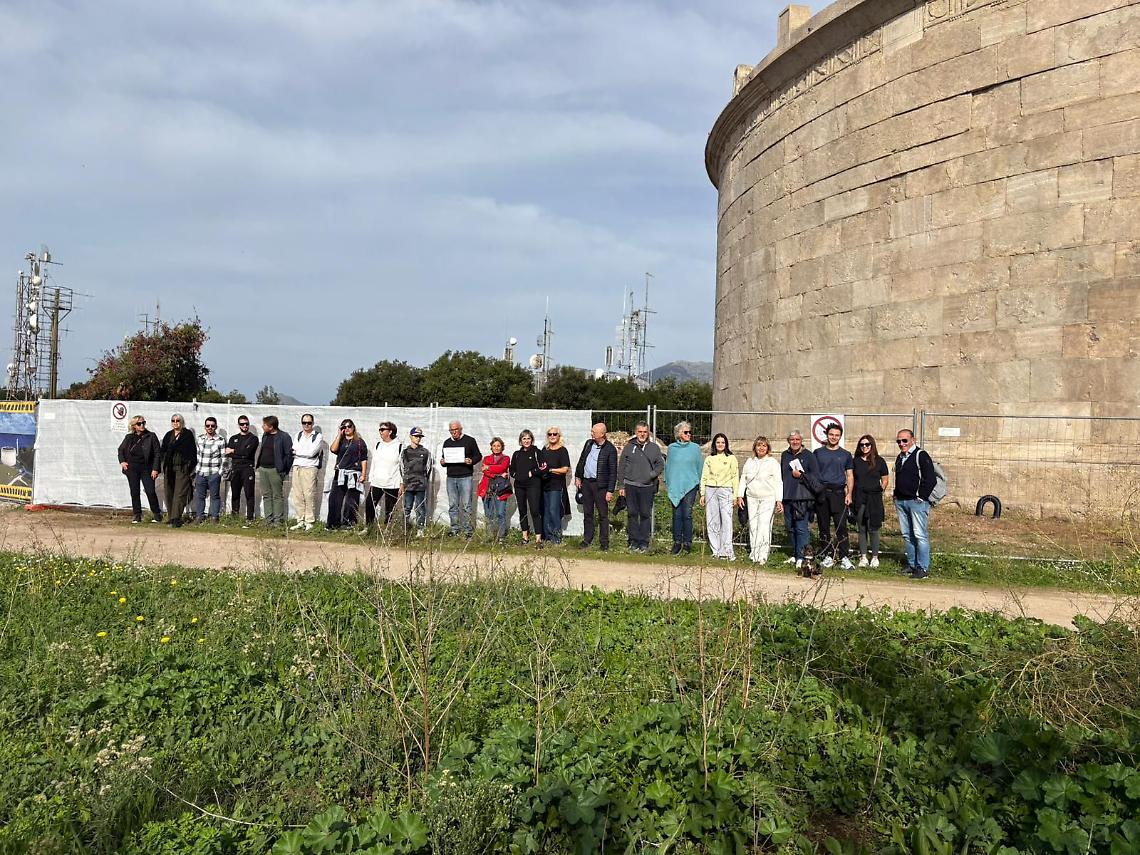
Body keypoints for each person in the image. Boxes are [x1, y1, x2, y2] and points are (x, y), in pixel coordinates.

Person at [894, 428, 935, 580]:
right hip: (901, 501)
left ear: (913, 440)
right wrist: (896, 495)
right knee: (907, 534)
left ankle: (922, 568)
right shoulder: (900, 457)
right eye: (899, 441)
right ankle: (912, 565)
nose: (901, 443)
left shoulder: (921, 455)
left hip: (916, 502)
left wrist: (921, 496)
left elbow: (930, 479)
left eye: (904, 440)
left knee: (919, 535)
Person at [617, 421, 664, 553]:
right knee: (632, 514)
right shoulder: (629, 447)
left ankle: (643, 542)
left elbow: (660, 464)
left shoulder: (654, 448)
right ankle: (633, 541)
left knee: (645, 514)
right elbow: (621, 467)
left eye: (645, 432)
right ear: (636, 432)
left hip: (647, 486)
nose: (642, 434)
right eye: (640, 432)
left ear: (648, 433)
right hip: (630, 485)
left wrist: (652, 474)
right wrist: (621, 485)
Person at [813, 422, 855, 571]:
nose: (834, 437)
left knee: (841, 527)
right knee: (823, 526)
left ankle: (844, 557)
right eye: (831, 434)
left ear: (840, 437)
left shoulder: (845, 454)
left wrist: (849, 494)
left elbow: (850, 476)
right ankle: (827, 555)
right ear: (827, 435)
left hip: (838, 494)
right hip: (822, 493)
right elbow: (813, 474)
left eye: (837, 435)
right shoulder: (818, 453)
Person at [736, 436, 782, 563]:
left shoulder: (773, 463)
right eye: (759, 445)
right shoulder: (749, 461)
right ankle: (754, 553)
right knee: (753, 525)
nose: (761, 448)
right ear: (755, 448)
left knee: (764, 525)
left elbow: (778, 482)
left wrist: (779, 500)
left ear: (768, 448)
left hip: (768, 498)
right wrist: (740, 495)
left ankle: (763, 555)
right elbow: (743, 479)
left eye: (764, 446)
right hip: (752, 498)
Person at [574, 422, 617, 552]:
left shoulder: (610, 449)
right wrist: (578, 476)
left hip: (600, 485)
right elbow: (582, 460)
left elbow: (613, 472)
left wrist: (610, 490)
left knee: (603, 514)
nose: (591, 433)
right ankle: (587, 539)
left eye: (594, 431)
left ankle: (604, 542)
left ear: (602, 434)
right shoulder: (589, 444)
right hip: (586, 483)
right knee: (588, 513)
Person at [780, 430, 818, 569]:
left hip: (802, 498)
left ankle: (802, 557)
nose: (795, 442)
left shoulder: (809, 456)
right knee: (790, 528)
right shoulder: (785, 455)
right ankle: (795, 554)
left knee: (801, 528)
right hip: (787, 497)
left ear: (801, 441)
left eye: (797, 439)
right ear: (788, 441)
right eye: (792, 439)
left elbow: (815, 477)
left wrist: (801, 475)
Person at [664, 421, 703, 555]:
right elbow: (668, 467)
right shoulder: (672, 448)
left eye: (690, 432)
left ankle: (687, 543)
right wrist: (669, 484)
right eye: (686, 432)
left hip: (690, 485)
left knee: (687, 514)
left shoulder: (695, 448)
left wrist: (701, 487)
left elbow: (700, 467)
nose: (689, 434)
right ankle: (677, 542)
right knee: (676, 515)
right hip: (675, 485)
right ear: (679, 434)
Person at [852, 434, 889, 568]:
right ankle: (863, 557)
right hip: (859, 498)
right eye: (862, 445)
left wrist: (880, 489)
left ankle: (874, 557)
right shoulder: (855, 461)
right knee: (861, 528)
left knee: (873, 528)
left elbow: (885, 479)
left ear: (872, 445)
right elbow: (851, 478)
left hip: (874, 499)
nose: (864, 447)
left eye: (867, 444)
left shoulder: (879, 461)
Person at [700, 433, 739, 560]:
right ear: (714, 444)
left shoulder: (731, 458)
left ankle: (727, 551)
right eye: (718, 442)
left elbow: (735, 477)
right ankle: (716, 550)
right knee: (712, 520)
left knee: (726, 520)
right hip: (710, 489)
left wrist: (735, 495)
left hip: (726, 490)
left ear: (726, 444)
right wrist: (702, 493)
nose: (720, 444)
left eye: (723, 442)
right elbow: (704, 476)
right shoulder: (709, 459)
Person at [117, 414, 162, 523]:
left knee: (150, 491)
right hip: (132, 468)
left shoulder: (151, 436)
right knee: (134, 492)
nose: (142, 425)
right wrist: (122, 462)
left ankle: (157, 514)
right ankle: (137, 515)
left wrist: (155, 468)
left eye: (143, 423)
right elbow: (121, 450)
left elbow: (157, 453)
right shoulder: (129, 437)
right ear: (134, 426)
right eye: (139, 423)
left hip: (147, 468)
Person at [440, 420, 482, 537]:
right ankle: (455, 530)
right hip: (451, 477)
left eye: (456, 429)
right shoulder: (447, 442)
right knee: (453, 505)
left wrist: (471, 461)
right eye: (451, 430)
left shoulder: (470, 440)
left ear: (461, 429)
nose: (454, 432)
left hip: (465, 477)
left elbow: (478, 456)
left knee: (466, 505)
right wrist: (443, 462)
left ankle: (468, 531)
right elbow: (444, 458)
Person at [328, 418, 368, 530]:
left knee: (351, 501)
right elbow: (333, 449)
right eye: (344, 427)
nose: (347, 428)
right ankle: (333, 524)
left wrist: (363, 474)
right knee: (334, 499)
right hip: (340, 473)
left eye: (349, 426)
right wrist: (338, 435)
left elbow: (364, 459)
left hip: (354, 474)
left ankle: (349, 524)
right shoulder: (340, 440)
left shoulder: (360, 442)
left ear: (353, 427)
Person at [160, 413, 196, 527]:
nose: (175, 422)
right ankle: (171, 517)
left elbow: (192, 451)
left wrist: (189, 466)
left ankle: (176, 518)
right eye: (173, 420)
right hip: (169, 468)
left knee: (180, 493)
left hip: (182, 467)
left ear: (182, 422)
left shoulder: (187, 434)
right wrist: (163, 462)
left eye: (178, 420)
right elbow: (163, 450)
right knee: (169, 492)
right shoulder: (168, 435)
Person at [256, 415, 293, 526]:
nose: (262, 426)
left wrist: (283, 469)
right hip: (263, 469)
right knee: (266, 495)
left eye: (264, 425)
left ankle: (277, 521)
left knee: (277, 496)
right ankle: (268, 520)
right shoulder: (265, 435)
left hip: (275, 470)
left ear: (271, 427)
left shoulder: (284, 437)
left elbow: (289, 455)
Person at [366, 421, 403, 529]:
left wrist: (402, 483)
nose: (380, 432)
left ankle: (387, 530)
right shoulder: (378, 445)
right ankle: (368, 528)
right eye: (380, 430)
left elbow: (402, 467)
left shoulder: (399, 446)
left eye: (382, 429)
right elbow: (374, 464)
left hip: (392, 483)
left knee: (389, 509)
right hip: (377, 482)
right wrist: (371, 480)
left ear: (390, 431)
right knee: (369, 504)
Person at [290, 414, 324, 531]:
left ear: (312, 423)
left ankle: (309, 521)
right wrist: (301, 452)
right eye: (304, 422)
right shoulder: (298, 435)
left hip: (310, 467)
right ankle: (300, 520)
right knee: (297, 495)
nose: (306, 425)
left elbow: (312, 452)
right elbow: (293, 449)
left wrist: (298, 452)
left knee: (309, 495)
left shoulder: (318, 436)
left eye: (309, 423)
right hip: (297, 466)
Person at [510, 429, 543, 547]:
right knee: (522, 510)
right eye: (524, 438)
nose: (526, 441)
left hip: (533, 485)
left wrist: (532, 473)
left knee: (535, 510)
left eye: (528, 438)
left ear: (532, 440)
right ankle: (525, 537)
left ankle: (538, 539)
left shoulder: (537, 452)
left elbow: (543, 467)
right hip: (519, 486)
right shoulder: (516, 454)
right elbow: (511, 469)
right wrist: (516, 475)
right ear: (521, 440)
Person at [539, 427, 571, 545]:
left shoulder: (562, 450)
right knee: (545, 511)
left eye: (554, 434)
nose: (552, 436)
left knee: (553, 511)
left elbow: (565, 469)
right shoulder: (544, 449)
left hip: (556, 486)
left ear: (559, 436)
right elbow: (541, 466)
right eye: (550, 434)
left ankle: (556, 538)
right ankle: (547, 537)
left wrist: (550, 470)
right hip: (544, 485)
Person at [224, 414, 259, 524]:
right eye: (242, 424)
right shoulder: (233, 438)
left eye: (246, 424)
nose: (244, 426)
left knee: (249, 494)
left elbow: (247, 453)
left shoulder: (253, 438)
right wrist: (239, 452)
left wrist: (234, 451)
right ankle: (235, 517)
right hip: (235, 469)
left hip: (247, 469)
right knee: (235, 494)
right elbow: (227, 453)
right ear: (239, 425)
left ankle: (250, 518)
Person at [477, 437, 512, 541]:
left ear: (502, 447)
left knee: (500, 513)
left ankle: (501, 536)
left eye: (498, 446)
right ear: (491, 447)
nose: (496, 448)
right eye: (494, 446)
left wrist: (489, 467)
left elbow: (502, 467)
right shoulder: (486, 458)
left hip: (501, 489)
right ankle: (489, 536)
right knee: (489, 514)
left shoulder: (506, 458)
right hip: (487, 488)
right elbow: (485, 471)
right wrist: (498, 475)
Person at [192, 416, 225, 523]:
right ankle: (199, 516)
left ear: (216, 427)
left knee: (215, 496)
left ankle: (214, 517)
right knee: (200, 496)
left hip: (213, 473)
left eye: (212, 426)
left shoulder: (220, 440)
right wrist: (197, 471)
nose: (210, 427)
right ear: (205, 427)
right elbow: (197, 455)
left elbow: (224, 458)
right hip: (201, 473)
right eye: (208, 425)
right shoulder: (200, 439)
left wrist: (219, 473)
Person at [401, 427, 432, 535]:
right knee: (407, 507)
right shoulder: (405, 452)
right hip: (408, 485)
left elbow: (428, 468)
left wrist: (423, 479)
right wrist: (404, 481)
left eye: (420, 436)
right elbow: (401, 467)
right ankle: (405, 529)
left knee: (420, 507)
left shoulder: (425, 452)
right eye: (416, 436)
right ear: (410, 437)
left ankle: (420, 529)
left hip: (420, 485)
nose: (418, 438)